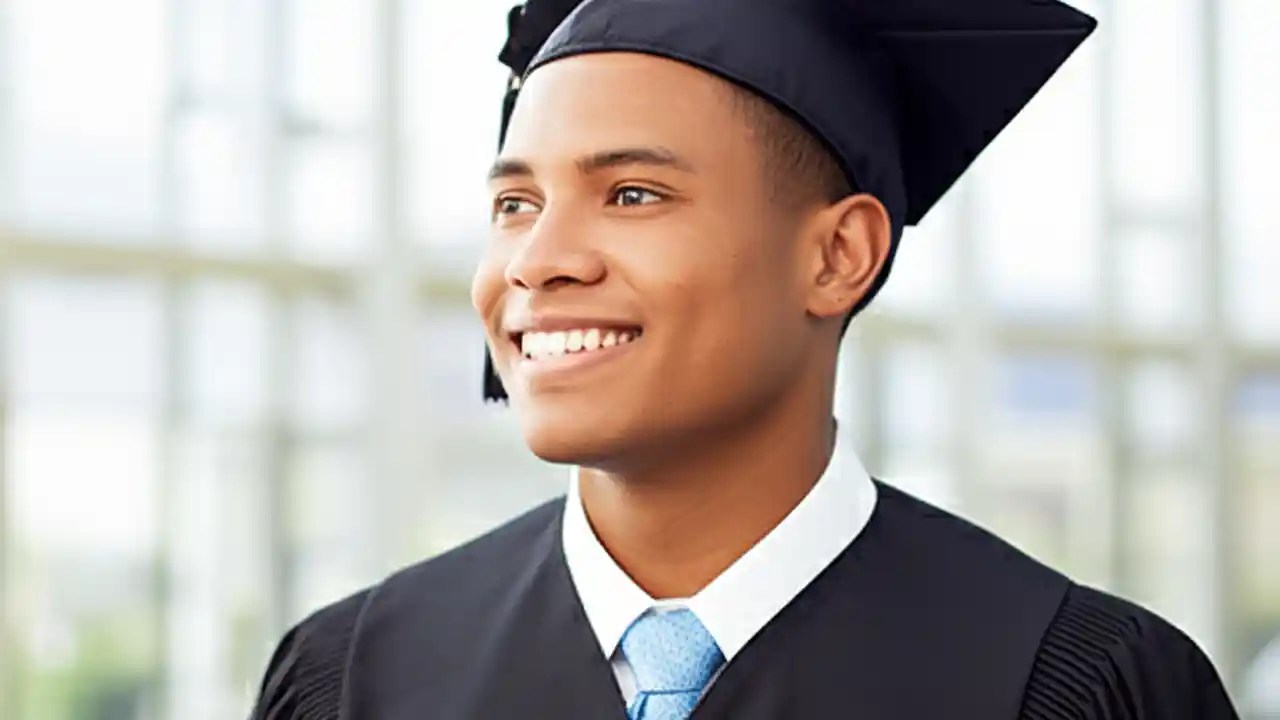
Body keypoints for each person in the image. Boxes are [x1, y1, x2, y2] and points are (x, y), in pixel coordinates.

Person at [251, 0, 1241, 717]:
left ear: (835, 255)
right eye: (516, 205)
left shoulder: (1066, 683)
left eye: (632, 194)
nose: (539, 262)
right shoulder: (356, 678)